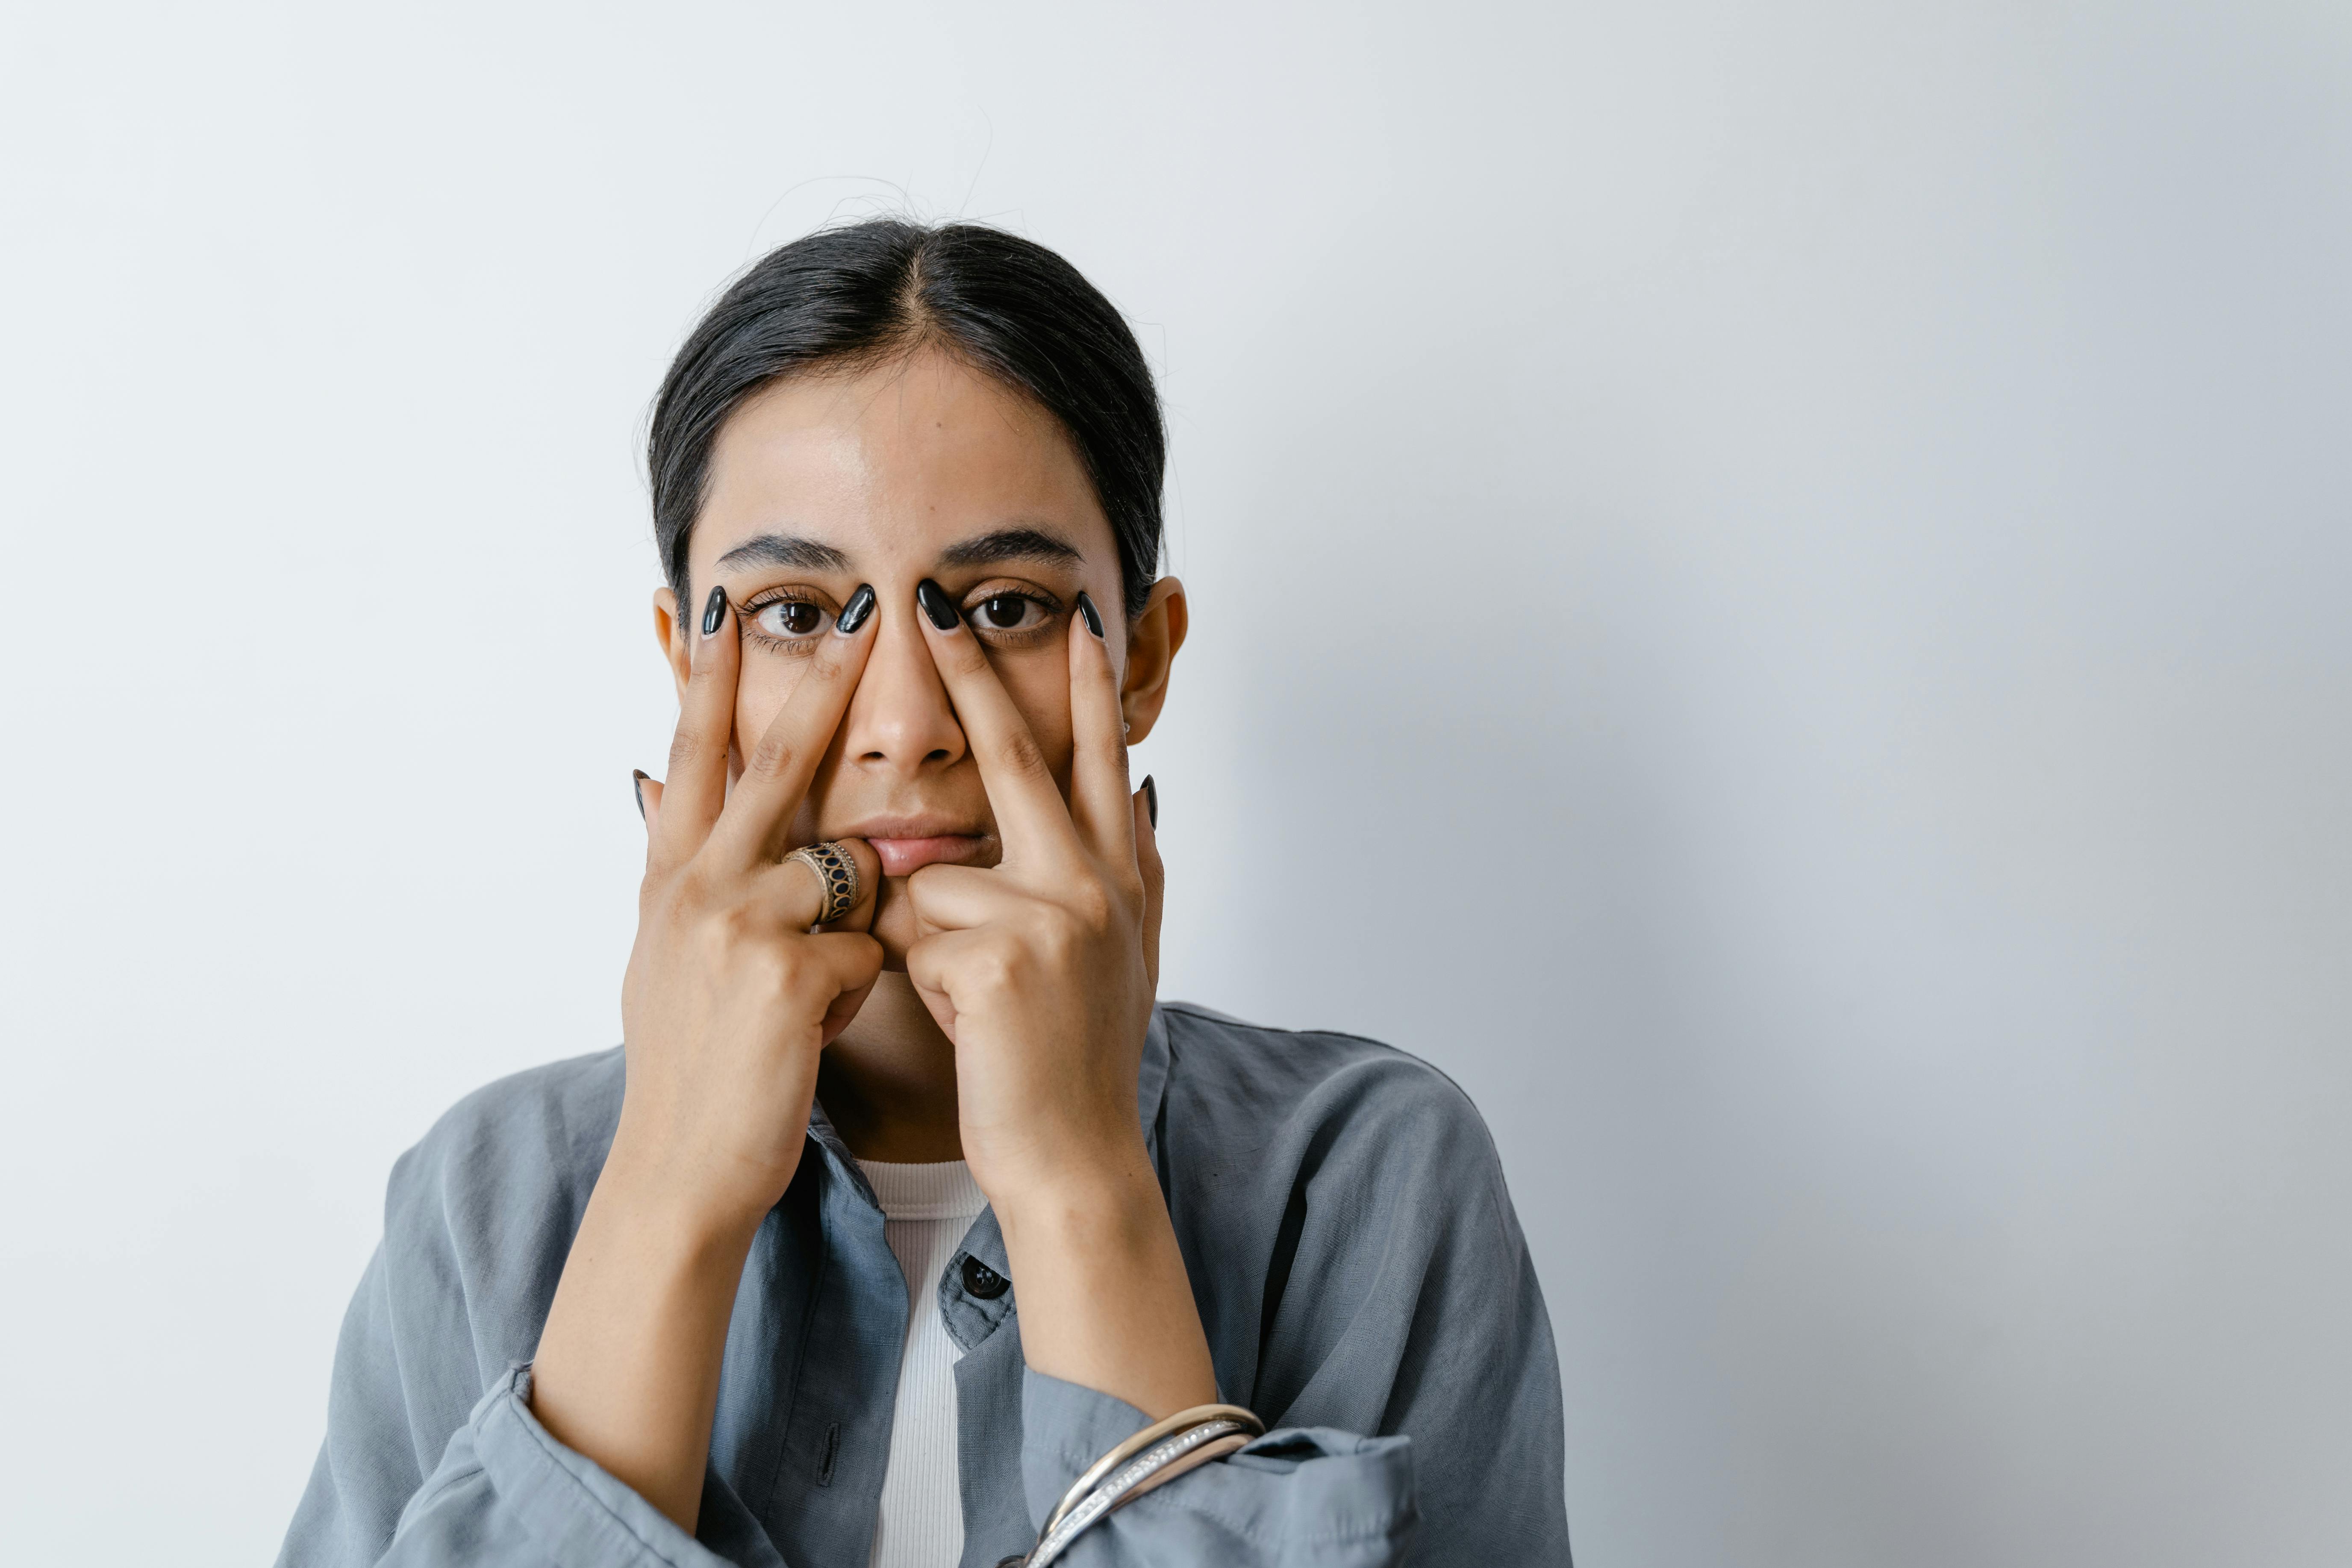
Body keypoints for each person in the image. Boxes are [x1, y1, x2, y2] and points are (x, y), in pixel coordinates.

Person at [276, 218, 1571, 1568]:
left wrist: (1082, 1183)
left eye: (1002, 607)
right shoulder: (490, 1202)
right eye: (795, 613)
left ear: (1138, 660)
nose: (903, 722)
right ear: (686, 664)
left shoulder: (1364, 1179)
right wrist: (666, 1189)